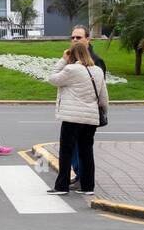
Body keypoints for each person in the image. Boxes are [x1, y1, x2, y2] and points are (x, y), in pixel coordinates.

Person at [46, 43, 108, 195]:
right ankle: (88, 187)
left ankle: (62, 186)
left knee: (66, 151)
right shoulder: (98, 71)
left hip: (72, 118)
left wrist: (63, 60)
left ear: (72, 55)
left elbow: (52, 78)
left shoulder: (71, 69)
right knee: (86, 151)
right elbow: (104, 97)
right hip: (91, 119)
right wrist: (102, 112)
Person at [66, 26, 105, 183]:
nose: (75, 40)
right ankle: (79, 174)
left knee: (84, 148)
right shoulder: (72, 59)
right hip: (73, 111)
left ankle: (84, 177)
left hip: (88, 112)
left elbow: (101, 88)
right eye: (73, 37)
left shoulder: (97, 61)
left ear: (88, 39)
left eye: (79, 37)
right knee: (74, 146)